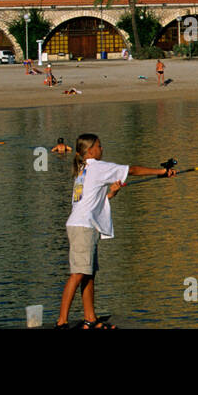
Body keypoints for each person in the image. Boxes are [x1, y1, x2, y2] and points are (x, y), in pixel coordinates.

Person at [55, 134, 175, 329]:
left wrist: (113, 192)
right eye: (100, 146)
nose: (103, 149)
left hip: (84, 226)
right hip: (83, 228)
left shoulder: (83, 171)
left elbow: (95, 201)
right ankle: (61, 322)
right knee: (77, 274)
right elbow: (132, 170)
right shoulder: (97, 166)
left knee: (88, 274)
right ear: (91, 150)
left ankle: (90, 319)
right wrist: (161, 171)